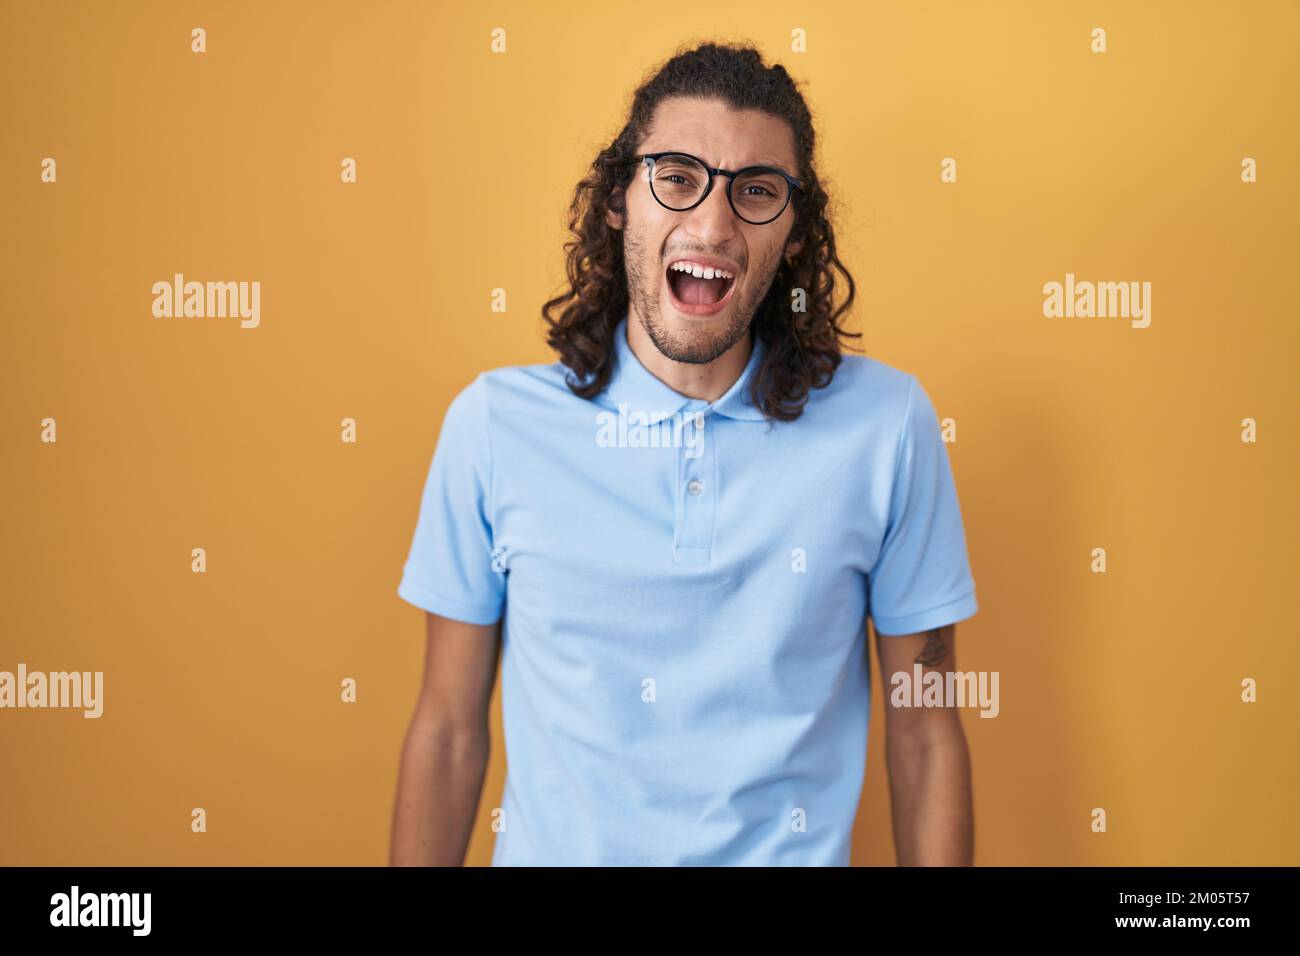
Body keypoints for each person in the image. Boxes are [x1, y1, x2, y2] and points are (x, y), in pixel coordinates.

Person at [390, 41, 978, 866]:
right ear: (619, 200)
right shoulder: (493, 427)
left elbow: (926, 731)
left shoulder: (888, 427)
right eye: (676, 177)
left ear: (796, 235)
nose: (712, 224)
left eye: (757, 192)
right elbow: (449, 732)